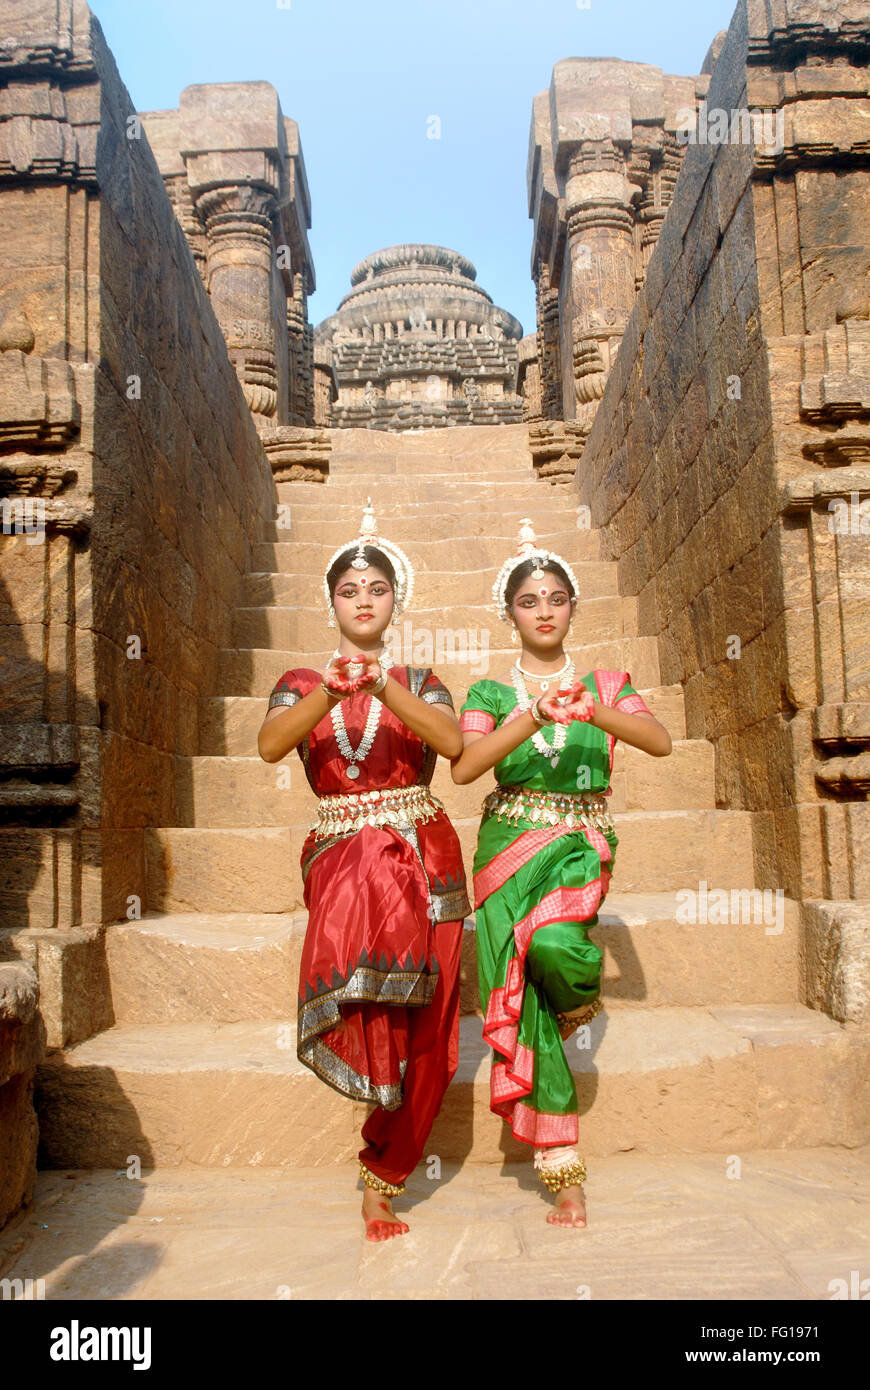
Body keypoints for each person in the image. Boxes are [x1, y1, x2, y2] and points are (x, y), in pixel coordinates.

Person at [257, 500, 470, 1241]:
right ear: (332, 603)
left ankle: (385, 1172)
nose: (364, 601)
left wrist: (380, 686)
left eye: (376, 590)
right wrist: (333, 687)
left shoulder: (420, 678)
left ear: (395, 600)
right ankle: (377, 1166)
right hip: (344, 864)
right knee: (376, 1015)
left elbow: (452, 743)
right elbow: (270, 744)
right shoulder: (298, 681)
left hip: (426, 858)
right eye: (350, 591)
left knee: (430, 1036)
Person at [451, 519, 672, 1228]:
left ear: (573, 606)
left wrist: (591, 707)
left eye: (555, 598)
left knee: (552, 952)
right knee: (531, 1002)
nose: (544, 610)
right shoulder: (488, 694)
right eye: (528, 601)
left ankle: (575, 998)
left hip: (579, 843)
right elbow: (464, 767)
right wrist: (531, 713)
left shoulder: (608, 682)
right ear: (509, 612)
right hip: (505, 850)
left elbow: (658, 742)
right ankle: (562, 1165)